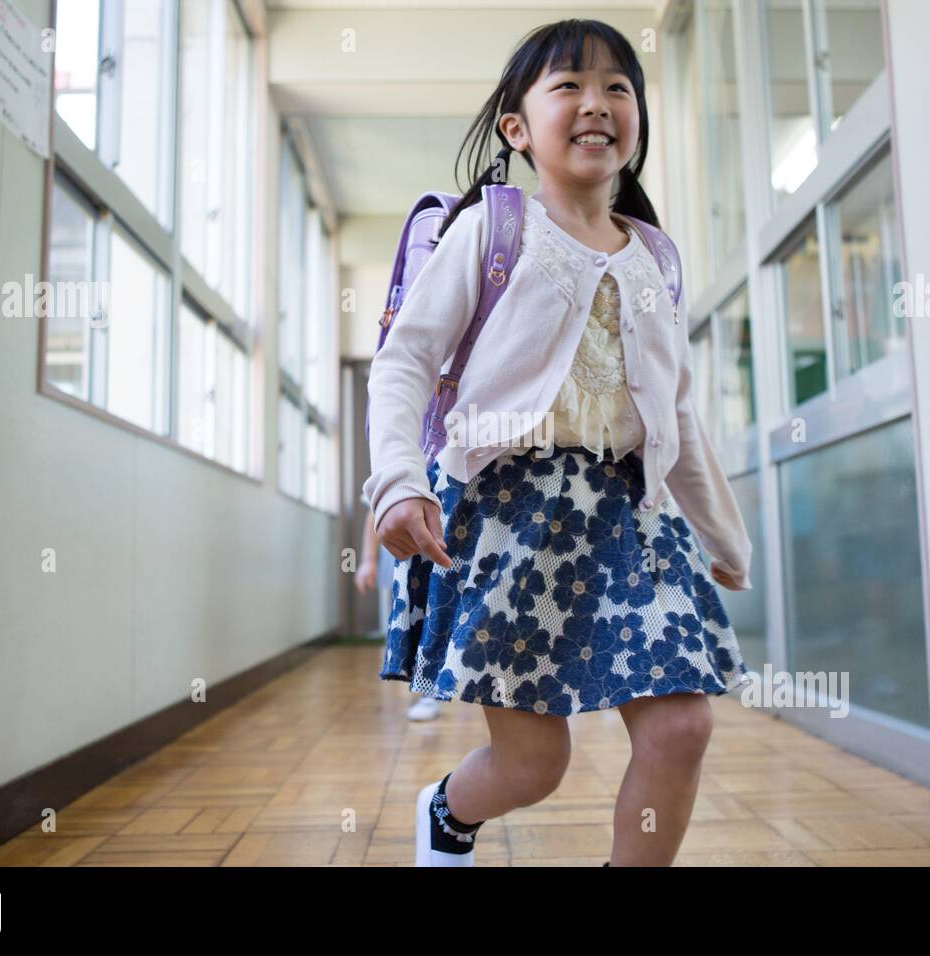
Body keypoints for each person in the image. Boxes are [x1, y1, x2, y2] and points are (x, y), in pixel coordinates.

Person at [363, 19, 754, 868]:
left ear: (637, 119)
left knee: (683, 723)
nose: (597, 103)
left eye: (618, 87)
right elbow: (404, 363)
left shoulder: (655, 258)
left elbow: (675, 415)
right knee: (536, 763)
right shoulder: (497, 230)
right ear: (517, 127)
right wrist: (397, 480)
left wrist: (724, 536)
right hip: (510, 517)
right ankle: (448, 812)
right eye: (568, 86)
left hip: (630, 519)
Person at [356, 507, 441, 721]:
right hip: (408, 552)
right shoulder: (386, 474)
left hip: (451, 540)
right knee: (419, 621)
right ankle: (427, 690)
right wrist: (368, 559)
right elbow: (374, 510)